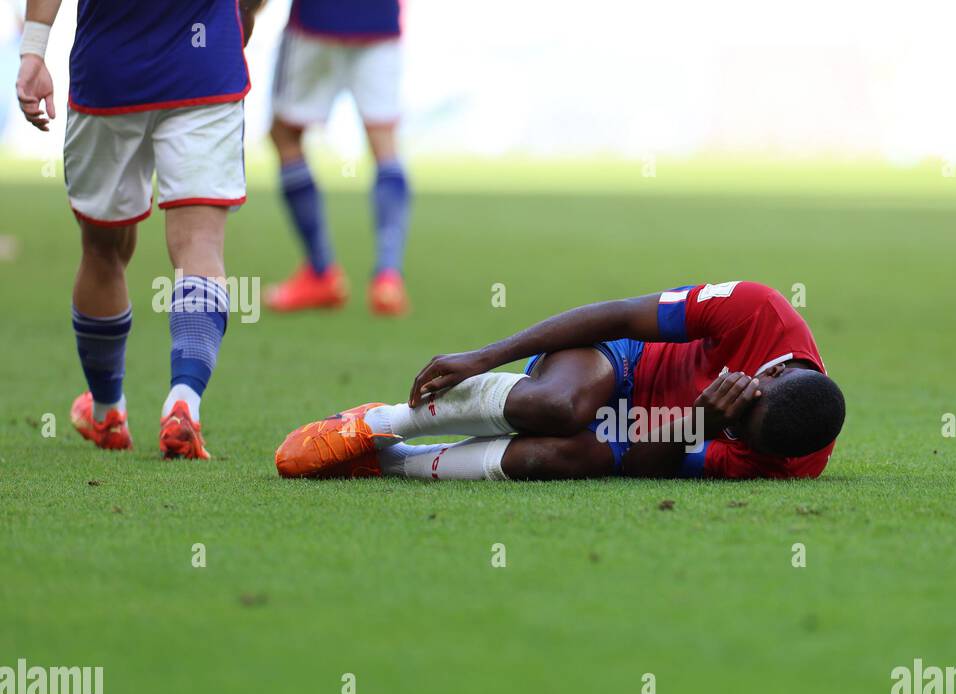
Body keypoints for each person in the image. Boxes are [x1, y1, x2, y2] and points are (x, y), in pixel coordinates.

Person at [14, 0, 263, 459]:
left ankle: (107, 410)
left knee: (102, 250)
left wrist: (33, 51)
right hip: (204, 65)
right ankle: (184, 401)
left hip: (111, 70)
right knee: (200, 246)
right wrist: (247, 12)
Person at [274, 281, 845, 480]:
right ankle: (378, 422)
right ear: (768, 371)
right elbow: (622, 314)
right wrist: (487, 355)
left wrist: (699, 422)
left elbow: (643, 468)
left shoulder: (785, 457)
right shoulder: (757, 310)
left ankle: (391, 464)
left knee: (565, 459)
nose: (735, 435)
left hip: (643, 432)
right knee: (561, 406)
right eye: (741, 416)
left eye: (740, 436)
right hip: (620, 358)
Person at [263, 0, 410, 316]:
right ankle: (388, 276)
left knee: (285, 133)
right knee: (384, 142)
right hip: (381, 19)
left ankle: (321, 272)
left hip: (318, 19)